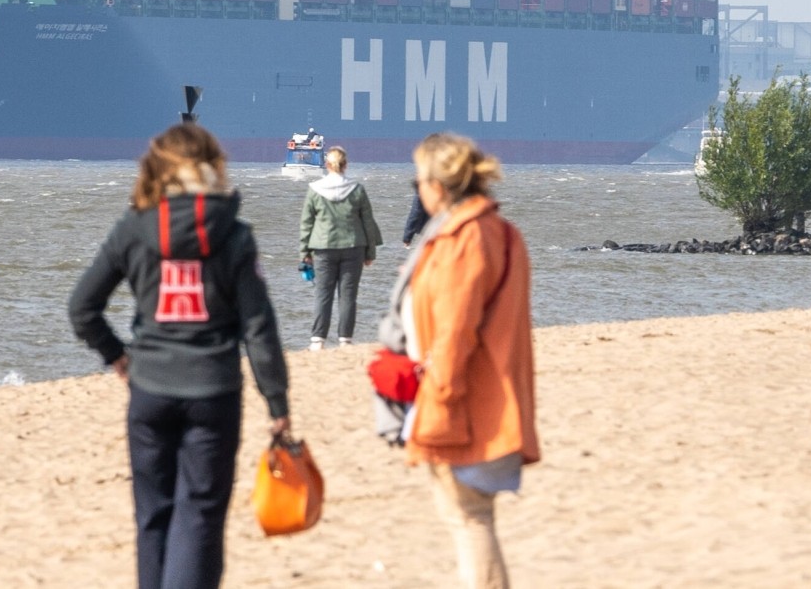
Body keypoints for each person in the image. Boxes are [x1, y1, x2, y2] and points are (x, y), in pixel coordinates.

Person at [70, 123, 290, 589]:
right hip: (214, 392)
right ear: (215, 167)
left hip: (149, 391)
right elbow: (258, 328)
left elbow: (81, 308)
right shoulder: (234, 235)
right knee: (201, 520)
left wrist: (118, 357)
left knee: (152, 518)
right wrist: (278, 404)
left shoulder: (134, 228)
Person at [396, 133, 538, 588]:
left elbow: (456, 329)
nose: (417, 189)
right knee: (475, 518)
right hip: (484, 394)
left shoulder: (466, 238)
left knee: (469, 519)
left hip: (465, 402)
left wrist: (440, 396)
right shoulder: (497, 231)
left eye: (419, 180)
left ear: (438, 185)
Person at [298, 145, 383, 349]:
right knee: (348, 295)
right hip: (354, 246)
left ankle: (317, 340)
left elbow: (306, 223)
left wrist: (304, 253)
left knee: (322, 294)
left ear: (326, 164)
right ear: (346, 165)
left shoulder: (314, 190)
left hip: (323, 248)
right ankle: (345, 339)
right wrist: (370, 252)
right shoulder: (357, 189)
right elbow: (368, 222)